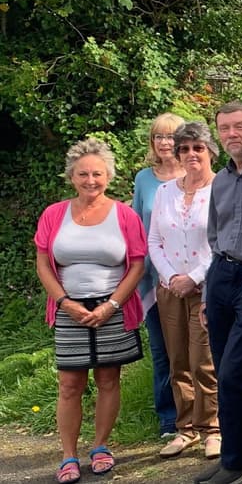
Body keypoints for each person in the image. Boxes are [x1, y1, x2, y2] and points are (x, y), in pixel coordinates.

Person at [35, 138, 147, 484]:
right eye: (83, 174)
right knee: (69, 383)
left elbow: (137, 265)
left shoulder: (125, 215)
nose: (90, 180)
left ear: (108, 176)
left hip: (112, 308)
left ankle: (100, 446)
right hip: (69, 309)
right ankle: (68, 455)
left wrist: (112, 305)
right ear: (71, 176)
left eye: (97, 174)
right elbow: (43, 263)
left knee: (108, 379)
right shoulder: (54, 214)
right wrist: (64, 302)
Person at [195, 101, 242, 484]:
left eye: (239, 126)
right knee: (224, 368)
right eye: (224, 128)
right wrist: (207, 294)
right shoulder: (221, 181)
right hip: (221, 275)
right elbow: (214, 237)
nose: (231, 134)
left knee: (233, 373)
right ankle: (236, 453)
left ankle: (239, 459)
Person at [148, 123, 221, 460]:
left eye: (198, 148)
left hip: (206, 288)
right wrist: (171, 276)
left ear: (210, 152)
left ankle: (213, 429)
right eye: (185, 148)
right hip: (170, 289)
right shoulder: (165, 192)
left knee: (203, 361)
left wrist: (192, 277)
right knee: (177, 360)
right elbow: (154, 240)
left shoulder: (221, 188)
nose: (191, 154)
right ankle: (186, 428)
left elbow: (222, 241)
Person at [130, 112, 185, 440]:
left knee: (197, 351)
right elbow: (136, 226)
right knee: (163, 350)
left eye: (171, 136)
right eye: (159, 136)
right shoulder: (143, 179)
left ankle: (203, 415)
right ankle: (169, 417)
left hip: (191, 276)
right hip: (153, 278)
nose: (165, 143)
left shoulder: (196, 174)